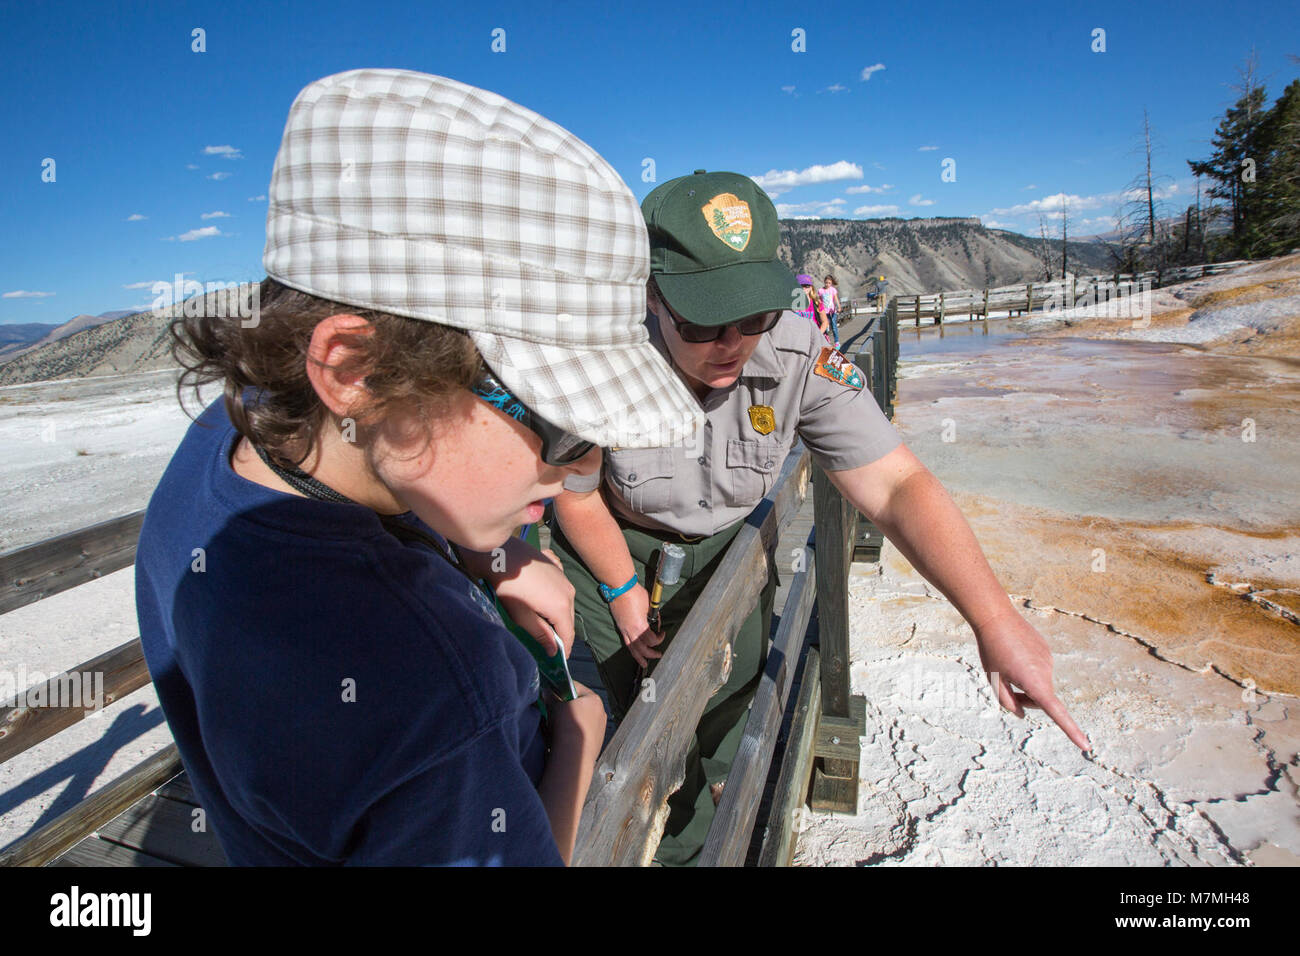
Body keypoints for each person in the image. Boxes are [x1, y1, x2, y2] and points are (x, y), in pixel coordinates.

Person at [134, 69, 704, 866]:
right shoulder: (425, 692)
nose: (581, 469)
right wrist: (578, 742)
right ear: (356, 369)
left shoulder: (236, 434)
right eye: (563, 425)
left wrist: (494, 552)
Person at [549, 169, 1090, 866]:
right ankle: (681, 845)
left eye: (755, 315)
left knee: (733, 693)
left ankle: (715, 785)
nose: (733, 343)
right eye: (705, 319)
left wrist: (994, 618)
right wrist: (622, 590)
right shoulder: (600, 360)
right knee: (649, 721)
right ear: (653, 295)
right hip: (614, 548)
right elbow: (575, 491)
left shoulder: (800, 351)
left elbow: (896, 484)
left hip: (728, 547)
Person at [820, 274, 842, 347]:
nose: (827, 284)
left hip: (832, 311)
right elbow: (820, 301)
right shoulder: (821, 291)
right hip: (824, 312)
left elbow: (836, 299)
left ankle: (836, 341)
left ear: (831, 283)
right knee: (825, 326)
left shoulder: (833, 290)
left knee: (834, 326)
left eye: (829, 283)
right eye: (826, 283)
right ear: (824, 282)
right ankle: (827, 339)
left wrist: (839, 307)